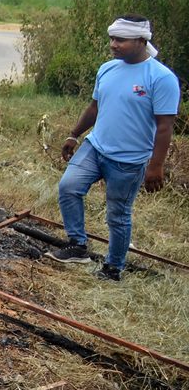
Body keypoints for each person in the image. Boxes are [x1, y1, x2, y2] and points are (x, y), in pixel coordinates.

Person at [46, 15, 180, 281]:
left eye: (121, 40)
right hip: (95, 147)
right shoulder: (107, 68)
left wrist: (156, 165)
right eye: (112, 39)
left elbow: (165, 127)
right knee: (68, 187)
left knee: (118, 215)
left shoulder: (161, 78)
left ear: (142, 41)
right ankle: (77, 245)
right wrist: (74, 135)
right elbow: (95, 107)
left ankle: (113, 267)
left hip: (129, 160)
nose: (113, 45)